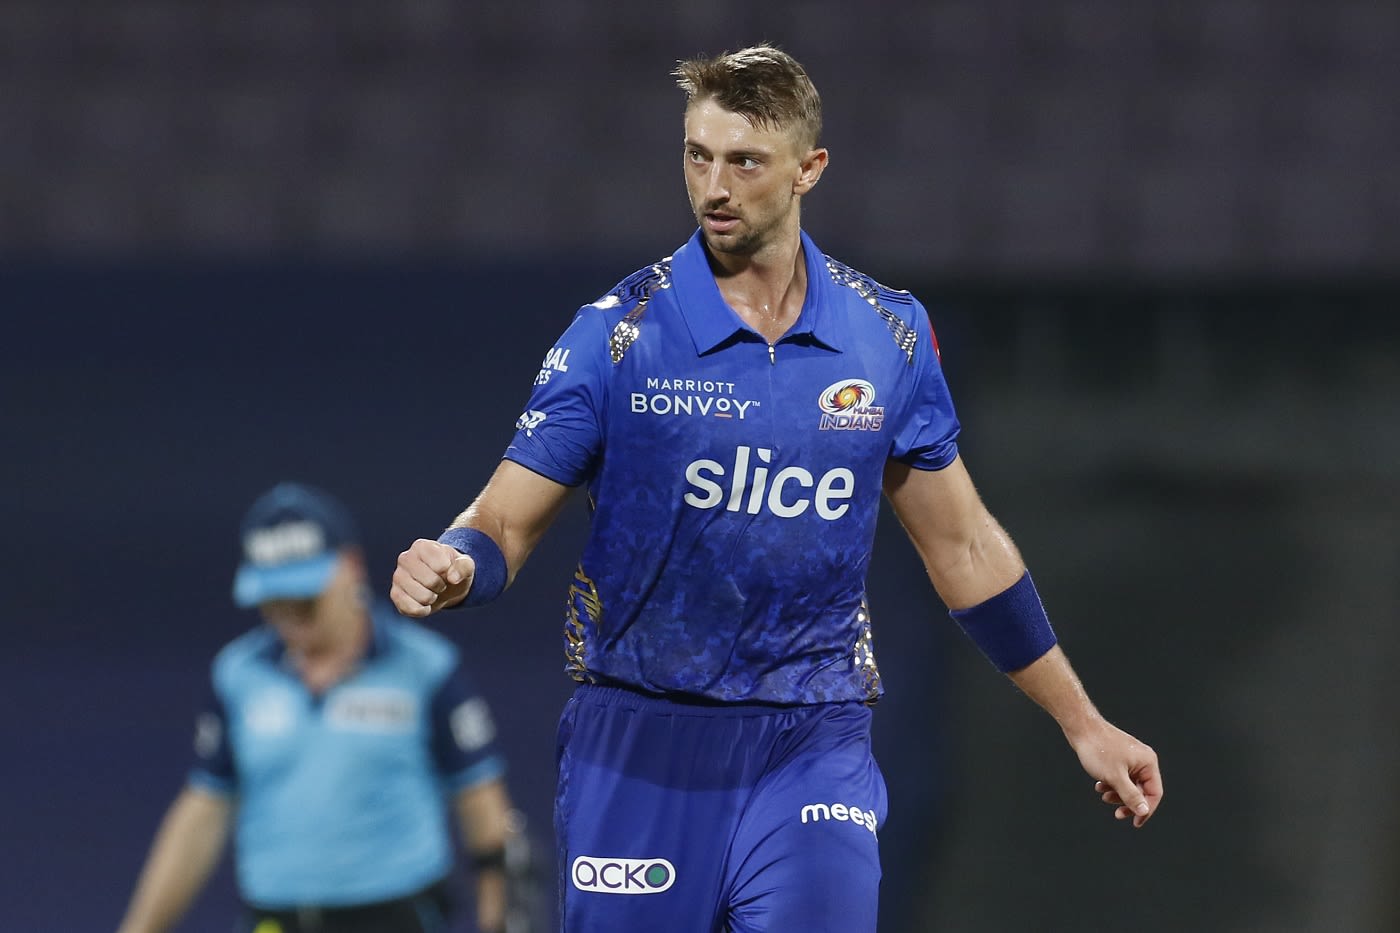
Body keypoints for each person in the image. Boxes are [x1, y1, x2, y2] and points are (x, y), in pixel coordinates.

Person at [390, 45, 1163, 933]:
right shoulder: (617, 336)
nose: (714, 187)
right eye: (698, 156)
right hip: (641, 743)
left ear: (808, 169)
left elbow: (964, 546)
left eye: (745, 161)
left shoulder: (887, 336)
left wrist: (1082, 721)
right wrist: (459, 561)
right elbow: (502, 520)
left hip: (812, 734)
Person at [118, 482, 524, 933]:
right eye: (273, 598)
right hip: (274, 920)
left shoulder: (424, 667)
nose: (288, 611)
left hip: (396, 919)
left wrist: (501, 917)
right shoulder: (237, 674)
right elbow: (204, 808)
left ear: (350, 568)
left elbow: (481, 802)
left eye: (304, 596)